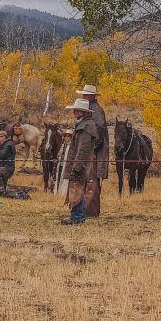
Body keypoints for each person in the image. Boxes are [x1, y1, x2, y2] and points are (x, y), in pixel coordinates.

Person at [62, 97, 96, 225]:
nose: (74, 112)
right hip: (79, 163)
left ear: (83, 112)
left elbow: (83, 149)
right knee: (77, 189)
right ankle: (78, 216)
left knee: (76, 189)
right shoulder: (83, 125)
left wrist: (77, 166)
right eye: (74, 110)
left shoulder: (85, 127)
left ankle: (77, 217)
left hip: (80, 165)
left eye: (77, 110)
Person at [76, 84, 108, 217]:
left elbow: (99, 129)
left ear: (91, 96)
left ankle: (91, 212)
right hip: (92, 152)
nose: (83, 96)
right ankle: (85, 210)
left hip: (95, 153)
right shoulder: (91, 108)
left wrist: (93, 147)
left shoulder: (96, 109)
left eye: (85, 95)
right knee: (87, 181)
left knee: (92, 183)